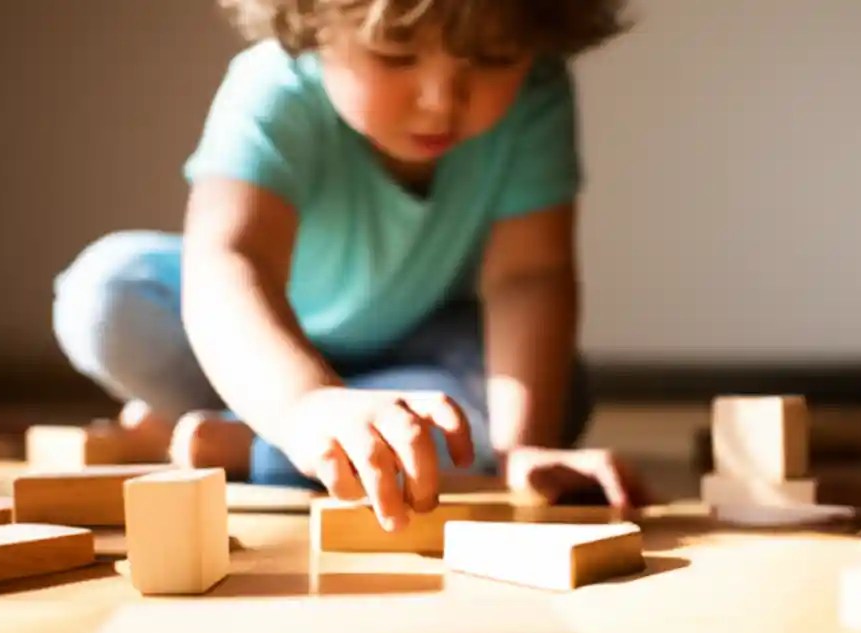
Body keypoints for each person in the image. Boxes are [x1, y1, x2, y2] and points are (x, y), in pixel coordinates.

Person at [52, 0, 650, 532]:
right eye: (395, 55)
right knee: (108, 297)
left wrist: (525, 448)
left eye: (493, 58)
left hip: (415, 345)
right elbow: (232, 259)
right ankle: (288, 429)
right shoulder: (274, 86)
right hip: (261, 337)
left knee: (556, 390)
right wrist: (305, 405)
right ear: (313, 18)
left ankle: (240, 442)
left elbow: (527, 278)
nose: (441, 101)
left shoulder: (538, 92)